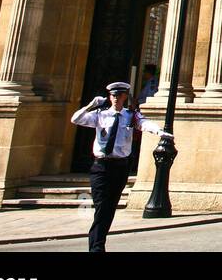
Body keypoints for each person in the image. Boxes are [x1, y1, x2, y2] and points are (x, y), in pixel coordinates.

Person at [71, 81, 171, 252]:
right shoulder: (99, 115)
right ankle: (96, 247)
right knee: (102, 206)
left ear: (125, 96)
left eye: (119, 95)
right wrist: (90, 105)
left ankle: (98, 243)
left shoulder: (131, 116)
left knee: (109, 207)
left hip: (120, 167)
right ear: (109, 97)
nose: (116, 98)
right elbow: (76, 119)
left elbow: (145, 124)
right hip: (100, 167)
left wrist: (160, 132)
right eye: (113, 95)